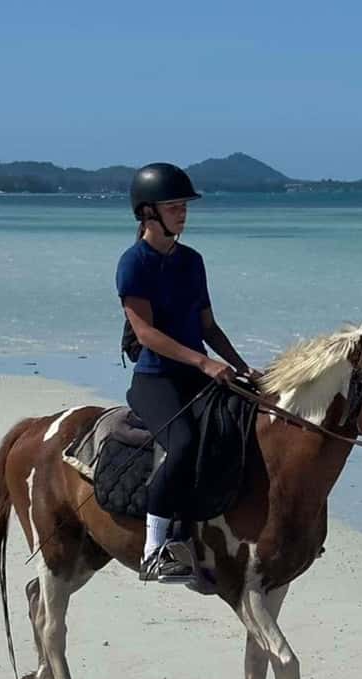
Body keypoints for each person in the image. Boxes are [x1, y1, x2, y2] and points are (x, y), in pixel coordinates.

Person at [117, 162, 254, 583]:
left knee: (242, 427)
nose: (183, 212)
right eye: (174, 205)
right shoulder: (133, 264)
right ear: (148, 213)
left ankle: (210, 540)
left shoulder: (192, 262)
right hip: (155, 379)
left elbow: (208, 327)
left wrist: (243, 368)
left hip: (197, 373)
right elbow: (146, 334)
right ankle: (154, 549)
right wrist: (203, 362)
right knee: (184, 443)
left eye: (184, 205)